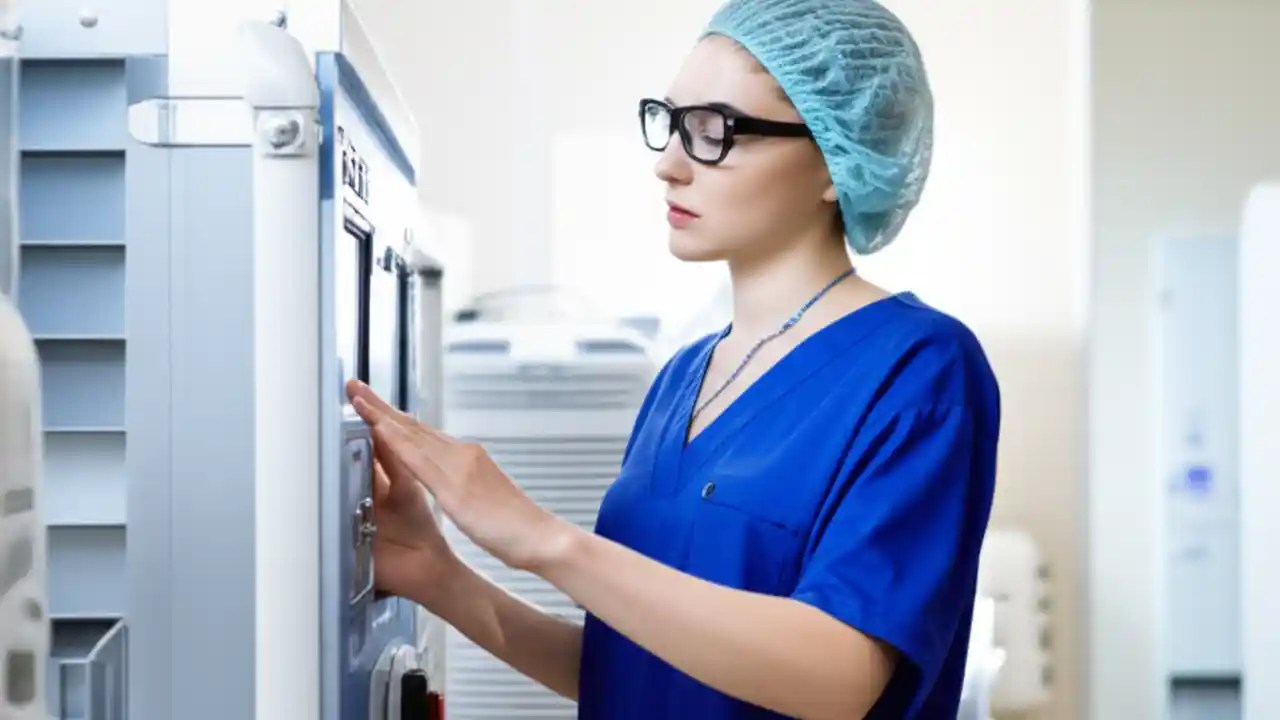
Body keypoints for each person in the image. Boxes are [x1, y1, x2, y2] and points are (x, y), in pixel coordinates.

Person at [347, 0, 1001, 717]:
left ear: (832, 161)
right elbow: (637, 668)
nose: (668, 165)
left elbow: (839, 677)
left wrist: (543, 540)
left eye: (715, 131)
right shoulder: (683, 377)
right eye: (671, 120)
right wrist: (441, 576)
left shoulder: (920, 371)